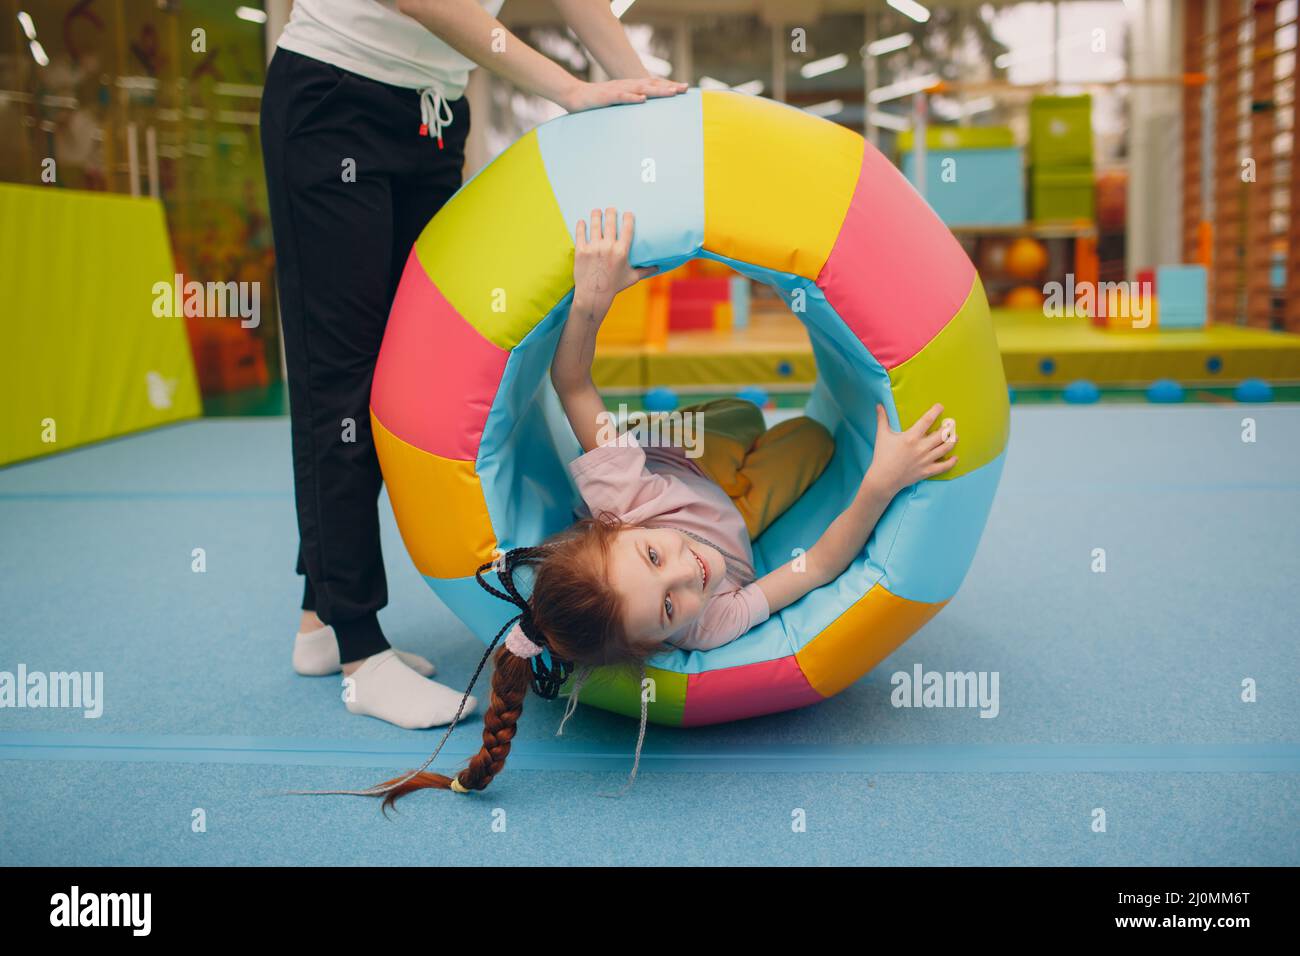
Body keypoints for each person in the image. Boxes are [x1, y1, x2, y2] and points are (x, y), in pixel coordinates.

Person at [343, 209, 960, 806]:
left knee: (741, 414)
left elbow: (572, 382)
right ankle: (765, 448)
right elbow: (818, 566)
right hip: (741, 511)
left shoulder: (619, 496)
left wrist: (591, 300)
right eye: (669, 605)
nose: (688, 572)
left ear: (620, 526)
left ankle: (715, 432)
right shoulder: (708, 622)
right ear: (657, 645)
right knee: (813, 439)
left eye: (654, 553)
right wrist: (879, 483)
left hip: (678, 460)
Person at [260, 0, 687, 731]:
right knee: (342, 385)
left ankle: (318, 618)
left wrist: (641, 88)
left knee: (401, 371)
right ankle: (361, 653)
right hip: (337, 96)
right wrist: (570, 88)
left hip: (431, 116)